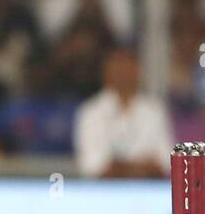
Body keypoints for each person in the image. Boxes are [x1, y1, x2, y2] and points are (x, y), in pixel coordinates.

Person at [74, 47, 173, 178]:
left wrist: (120, 167)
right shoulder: (90, 112)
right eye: (118, 67)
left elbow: (166, 161)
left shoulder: (154, 110)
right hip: (103, 193)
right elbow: (90, 165)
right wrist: (139, 166)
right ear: (105, 72)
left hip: (147, 192)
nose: (124, 73)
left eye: (129, 67)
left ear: (138, 70)